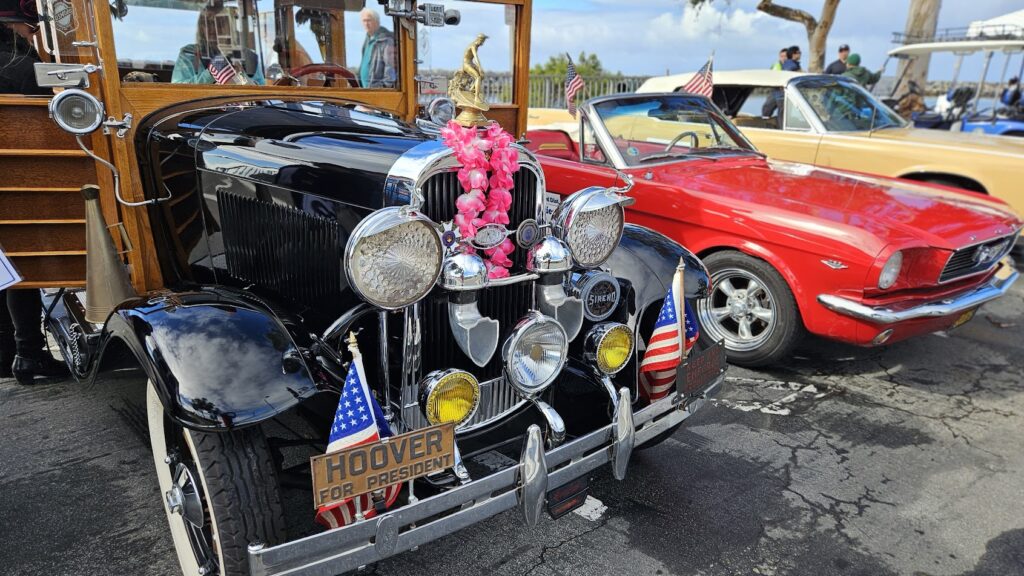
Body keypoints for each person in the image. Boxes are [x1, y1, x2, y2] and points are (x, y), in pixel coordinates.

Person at [0, 0, 68, 384]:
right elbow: (53, 131)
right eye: (29, 26)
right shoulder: (26, 69)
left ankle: (4, 352)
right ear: (10, 26)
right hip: (18, 183)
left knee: (2, 266)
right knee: (22, 262)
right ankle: (28, 353)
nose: (34, 33)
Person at [172, 3, 265, 85]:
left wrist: (241, 75)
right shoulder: (189, 55)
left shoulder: (247, 57)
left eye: (219, 22)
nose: (213, 28)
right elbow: (178, 90)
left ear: (229, 26)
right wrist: (211, 73)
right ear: (202, 28)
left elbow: (261, 94)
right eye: (208, 23)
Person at [358, 7, 396, 88]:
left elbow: (390, 71)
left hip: (377, 94)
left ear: (377, 22)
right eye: (364, 21)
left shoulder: (386, 40)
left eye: (369, 20)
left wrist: (381, 88)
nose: (366, 24)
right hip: (365, 91)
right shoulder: (368, 40)